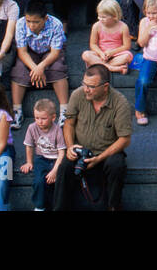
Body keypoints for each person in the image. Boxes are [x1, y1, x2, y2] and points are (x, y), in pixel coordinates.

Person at [53, 63, 132, 211]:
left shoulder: (120, 103)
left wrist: (99, 158)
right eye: (84, 84)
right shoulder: (78, 94)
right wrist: (70, 147)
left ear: (105, 86)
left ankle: (113, 206)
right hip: (80, 150)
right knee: (64, 167)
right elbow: (69, 123)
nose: (86, 89)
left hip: (107, 152)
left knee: (117, 165)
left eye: (91, 86)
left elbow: (125, 139)